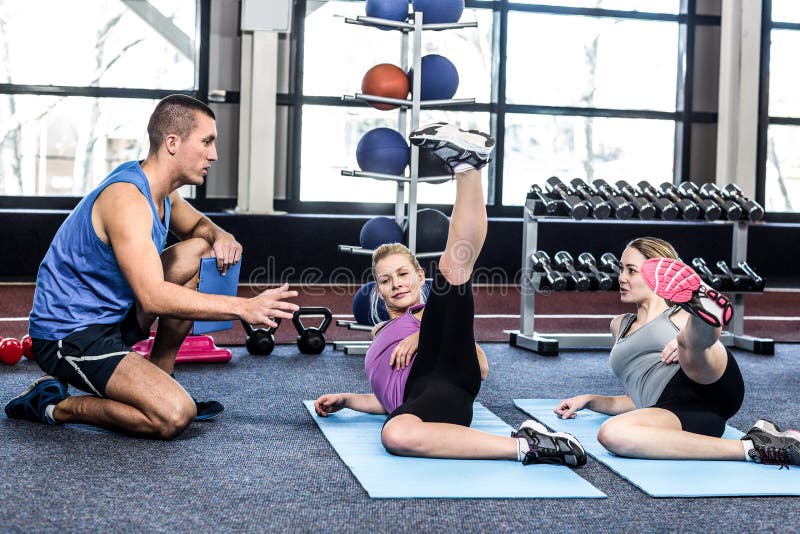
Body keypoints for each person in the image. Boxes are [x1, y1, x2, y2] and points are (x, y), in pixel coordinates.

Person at [5, 94, 299, 439]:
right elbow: (153, 299)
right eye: (207, 142)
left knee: (201, 251)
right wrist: (245, 307)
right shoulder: (127, 200)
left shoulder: (161, 192)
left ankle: (161, 373)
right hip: (69, 336)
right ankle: (54, 406)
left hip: (114, 319)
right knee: (174, 416)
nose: (213, 155)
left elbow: (201, 229)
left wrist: (222, 235)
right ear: (173, 143)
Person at [314, 123, 586, 467]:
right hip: (417, 399)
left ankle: (466, 168)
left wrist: (423, 338)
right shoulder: (378, 332)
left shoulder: (428, 313)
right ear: (377, 290)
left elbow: (481, 367)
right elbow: (390, 397)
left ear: (418, 277)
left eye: (402, 274)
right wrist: (349, 400)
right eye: (385, 280)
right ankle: (468, 164)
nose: (395, 283)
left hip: (444, 380)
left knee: (454, 268)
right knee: (396, 432)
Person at [555, 237, 799, 467]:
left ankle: (702, 304)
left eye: (631, 270)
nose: (621, 278)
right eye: (621, 269)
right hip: (680, 410)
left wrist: (681, 342)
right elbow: (638, 398)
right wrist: (588, 400)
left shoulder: (678, 315)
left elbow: (710, 346)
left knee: (686, 341)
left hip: (706, 376)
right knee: (611, 434)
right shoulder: (619, 324)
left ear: (657, 277)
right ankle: (755, 447)